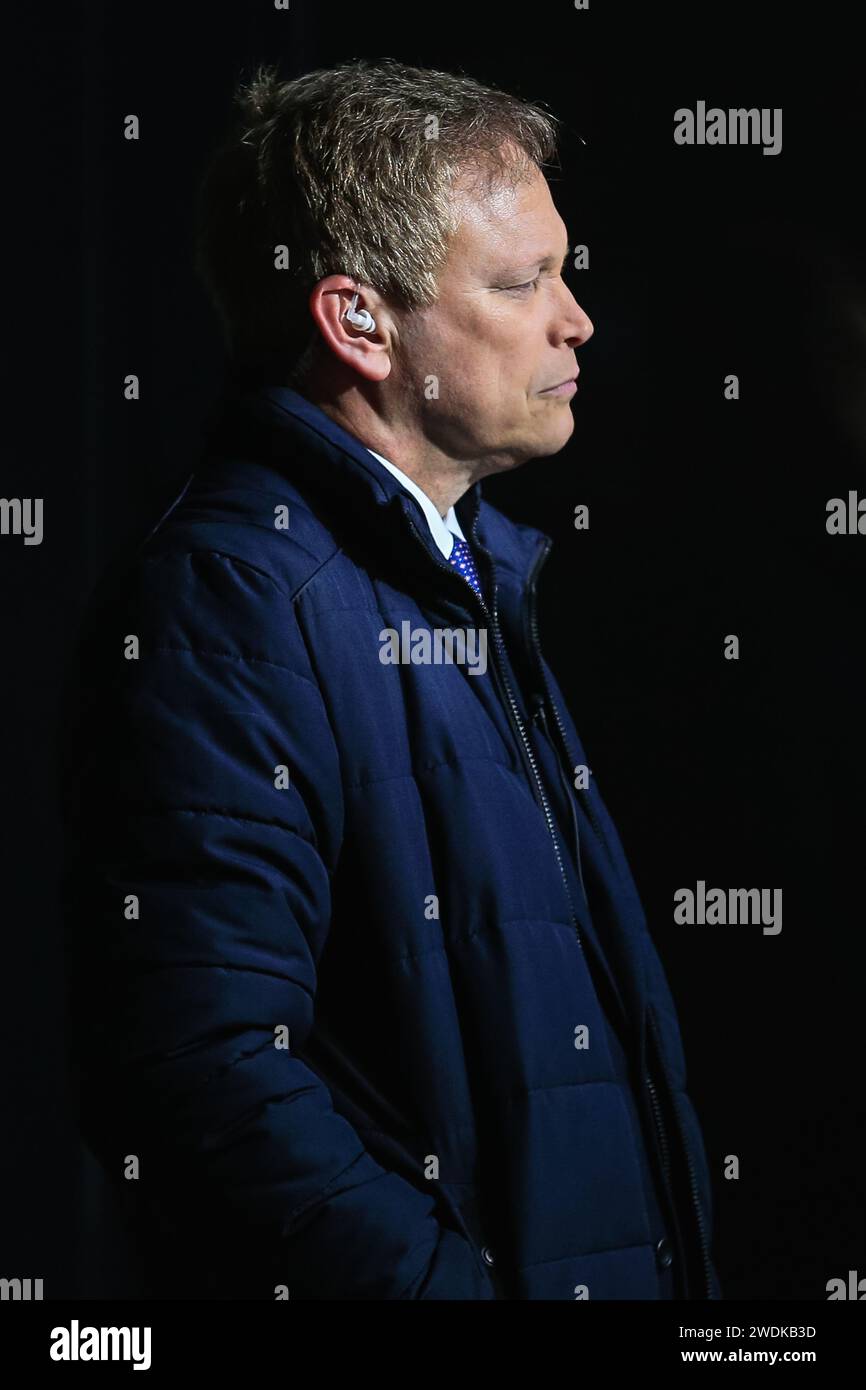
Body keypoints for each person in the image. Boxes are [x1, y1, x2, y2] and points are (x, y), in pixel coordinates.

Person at [59, 57, 721, 1300]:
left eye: (559, 271)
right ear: (361, 323)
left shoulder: (456, 573)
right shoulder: (234, 604)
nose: (572, 318)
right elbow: (196, 1080)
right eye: (522, 281)